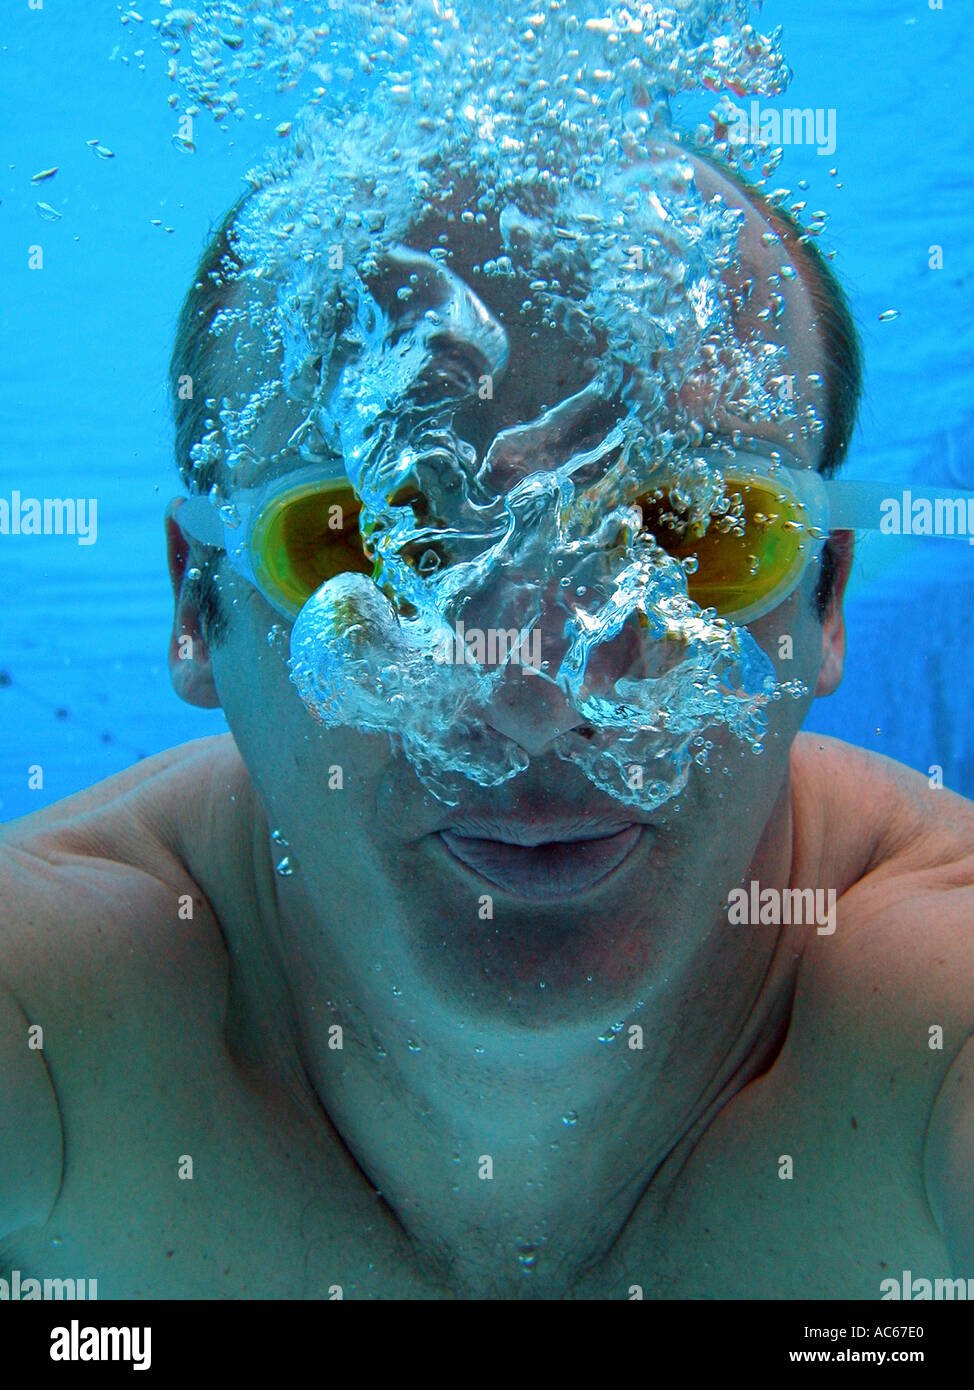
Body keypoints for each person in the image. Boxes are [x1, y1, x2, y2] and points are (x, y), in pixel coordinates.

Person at [1, 138, 972, 1302]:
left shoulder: (931, 1013)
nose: (536, 696)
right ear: (195, 607)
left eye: (691, 535)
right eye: (377, 543)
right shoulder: (50, 1023)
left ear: (822, 597)